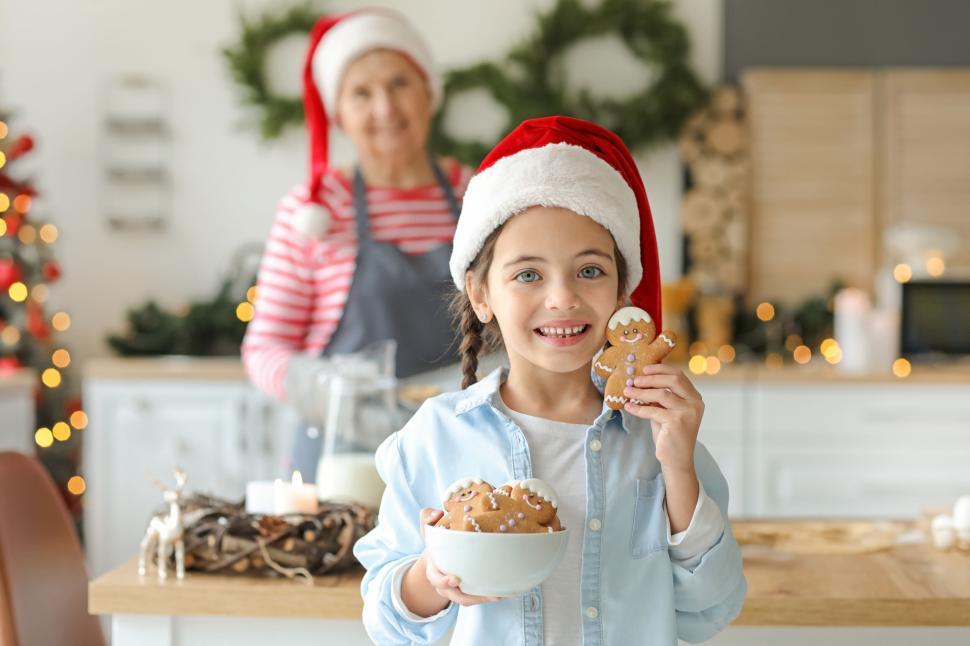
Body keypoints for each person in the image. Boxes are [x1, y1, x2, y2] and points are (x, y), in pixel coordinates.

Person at [353, 116, 746, 645]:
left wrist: (677, 467)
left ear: (623, 292)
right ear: (480, 294)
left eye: (589, 271)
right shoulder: (435, 437)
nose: (562, 298)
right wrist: (434, 576)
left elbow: (711, 609)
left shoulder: (660, 438)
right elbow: (386, 621)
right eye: (528, 275)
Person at [242, 9, 476, 478]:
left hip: (458, 450)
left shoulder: (479, 195)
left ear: (429, 92)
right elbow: (263, 348)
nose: (385, 109)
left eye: (400, 84)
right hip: (342, 455)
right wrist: (333, 394)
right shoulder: (315, 210)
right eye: (362, 93)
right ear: (339, 115)